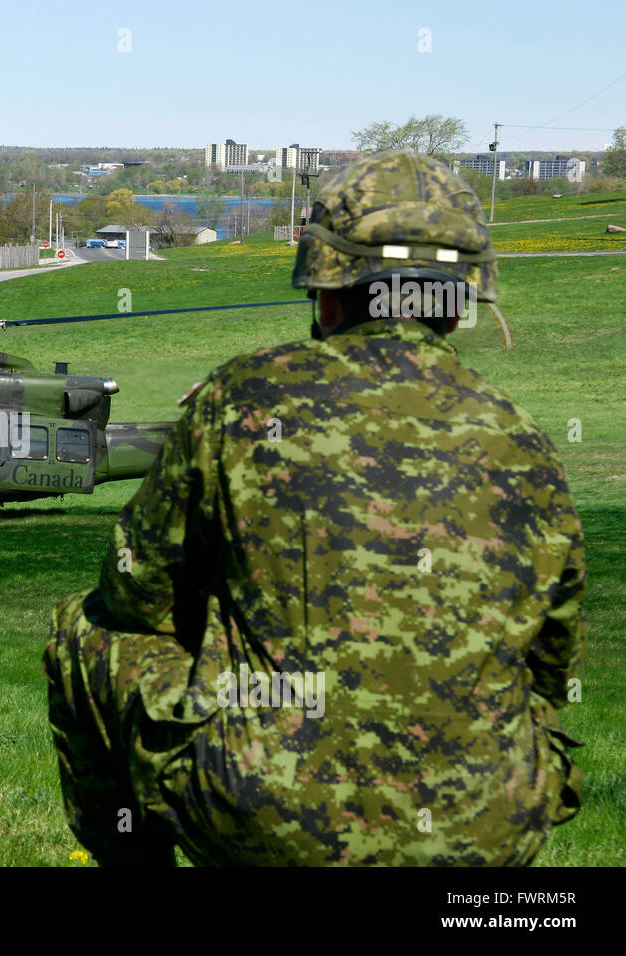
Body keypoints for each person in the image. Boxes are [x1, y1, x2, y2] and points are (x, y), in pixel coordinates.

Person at [43, 150, 586, 867]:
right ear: (459, 305)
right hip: (490, 824)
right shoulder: (526, 441)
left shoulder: (242, 399)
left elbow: (132, 594)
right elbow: (552, 668)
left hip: (269, 811)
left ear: (325, 292)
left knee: (82, 631)